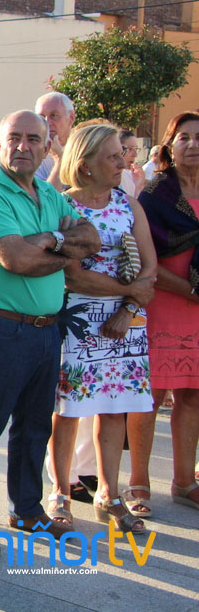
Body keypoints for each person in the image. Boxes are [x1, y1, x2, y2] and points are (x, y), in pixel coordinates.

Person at [0, 110, 99, 555]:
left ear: (47, 146)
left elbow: (91, 240)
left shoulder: (50, 195)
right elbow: (14, 259)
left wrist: (46, 240)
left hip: (46, 330)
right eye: (13, 137)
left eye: (33, 138)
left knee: (34, 428)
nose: (23, 146)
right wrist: (60, 244)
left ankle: (27, 510)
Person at [48, 123, 155, 535]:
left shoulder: (130, 206)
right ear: (86, 164)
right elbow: (73, 275)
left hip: (128, 321)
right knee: (68, 410)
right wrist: (129, 291)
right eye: (112, 156)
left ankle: (108, 495)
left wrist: (127, 309)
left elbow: (149, 268)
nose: (122, 162)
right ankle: (60, 492)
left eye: (121, 154)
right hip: (78, 318)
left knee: (115, 407)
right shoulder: (64, 208)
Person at [137, 111, 199, 511]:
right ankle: (138, 485)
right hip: (163, 305)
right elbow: (146, 262)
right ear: (170, 146)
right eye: (185, 137)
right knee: (151, 397)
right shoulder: (154, 197)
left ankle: (184, 482)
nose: (193, 145)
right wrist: (192, 291)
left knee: (193, 397)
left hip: (197, 313)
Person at [34, 91, 76, 187]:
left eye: (54, 116)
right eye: (42, 117)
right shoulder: (33, 156)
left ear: (71, 118)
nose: (48, 122)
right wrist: (59, 159)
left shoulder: (84, 149)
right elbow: (46, 196)